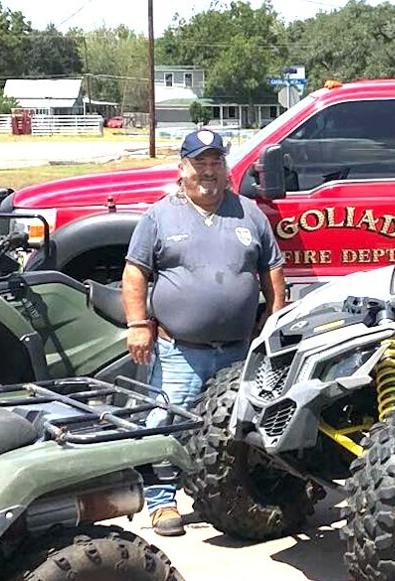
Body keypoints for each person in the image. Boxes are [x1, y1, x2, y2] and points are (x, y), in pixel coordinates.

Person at [122, 129, 287, 536]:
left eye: (216, 163)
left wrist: (276, 318)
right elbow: (134, 273)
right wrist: (138, 325)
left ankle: (232, 499)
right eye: (200, 164)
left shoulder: (249, 213)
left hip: (238, 351)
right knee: (166, 423)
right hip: (180, 349)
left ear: (226, 169)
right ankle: (162, 502)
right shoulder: (159, 216)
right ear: (183, 170)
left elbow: (272, 269)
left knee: (236, 429)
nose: (208, 171)